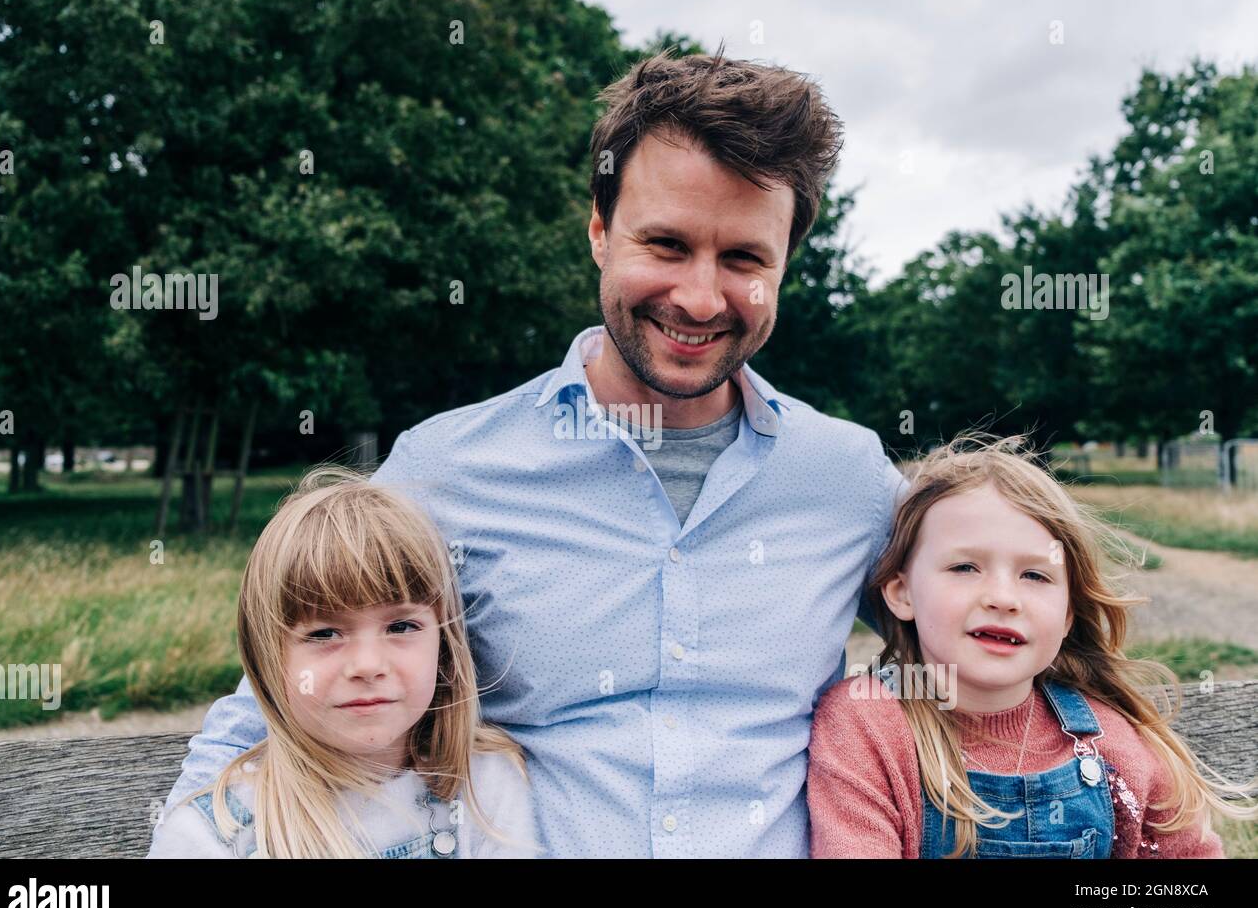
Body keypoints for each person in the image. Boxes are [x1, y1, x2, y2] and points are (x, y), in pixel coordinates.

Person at [166, 47, 906, 857]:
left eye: (743, 259)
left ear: (785, 263)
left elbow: (1004, 629)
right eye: (664, 245)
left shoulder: (848, 478)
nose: (700, 297)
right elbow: (276, 686)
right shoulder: (447, 468)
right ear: (598, 229)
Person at [808, 433, 1257, 858]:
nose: (1003, 598)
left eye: (1035, 576)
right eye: (965, 567)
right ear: (902, 592)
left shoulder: (1111, 746)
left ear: (1066, 616)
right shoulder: (866, 728)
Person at [149, 467, 540, 858]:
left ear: (445, 646)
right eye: (323, 634)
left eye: (401, 626)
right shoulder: (220, 832)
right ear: (266, 658)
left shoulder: (484, 788)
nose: (368, 665)